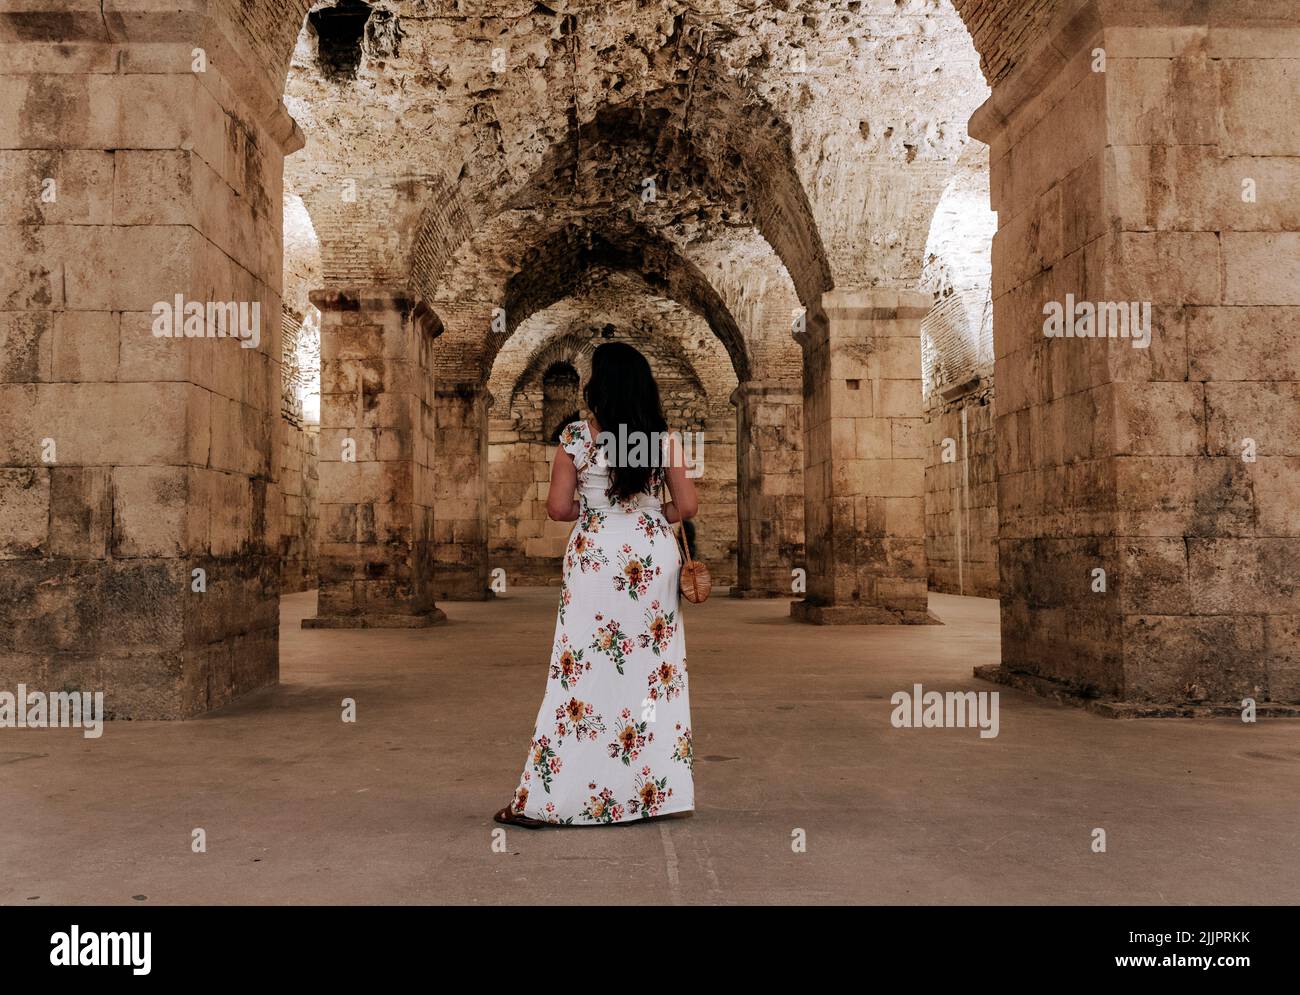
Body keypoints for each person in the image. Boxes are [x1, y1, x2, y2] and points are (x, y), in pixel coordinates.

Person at [495, 342, 698, 827]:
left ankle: (558, 797)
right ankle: (651, 794)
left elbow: (559, 509)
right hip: (651, 559)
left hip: (598, 559)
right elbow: (686, 507)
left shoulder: (574, 437)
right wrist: (651, 515)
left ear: (596, 387)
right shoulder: (662, 439)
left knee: (581, 671)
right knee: (652, 676)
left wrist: (601, 513)